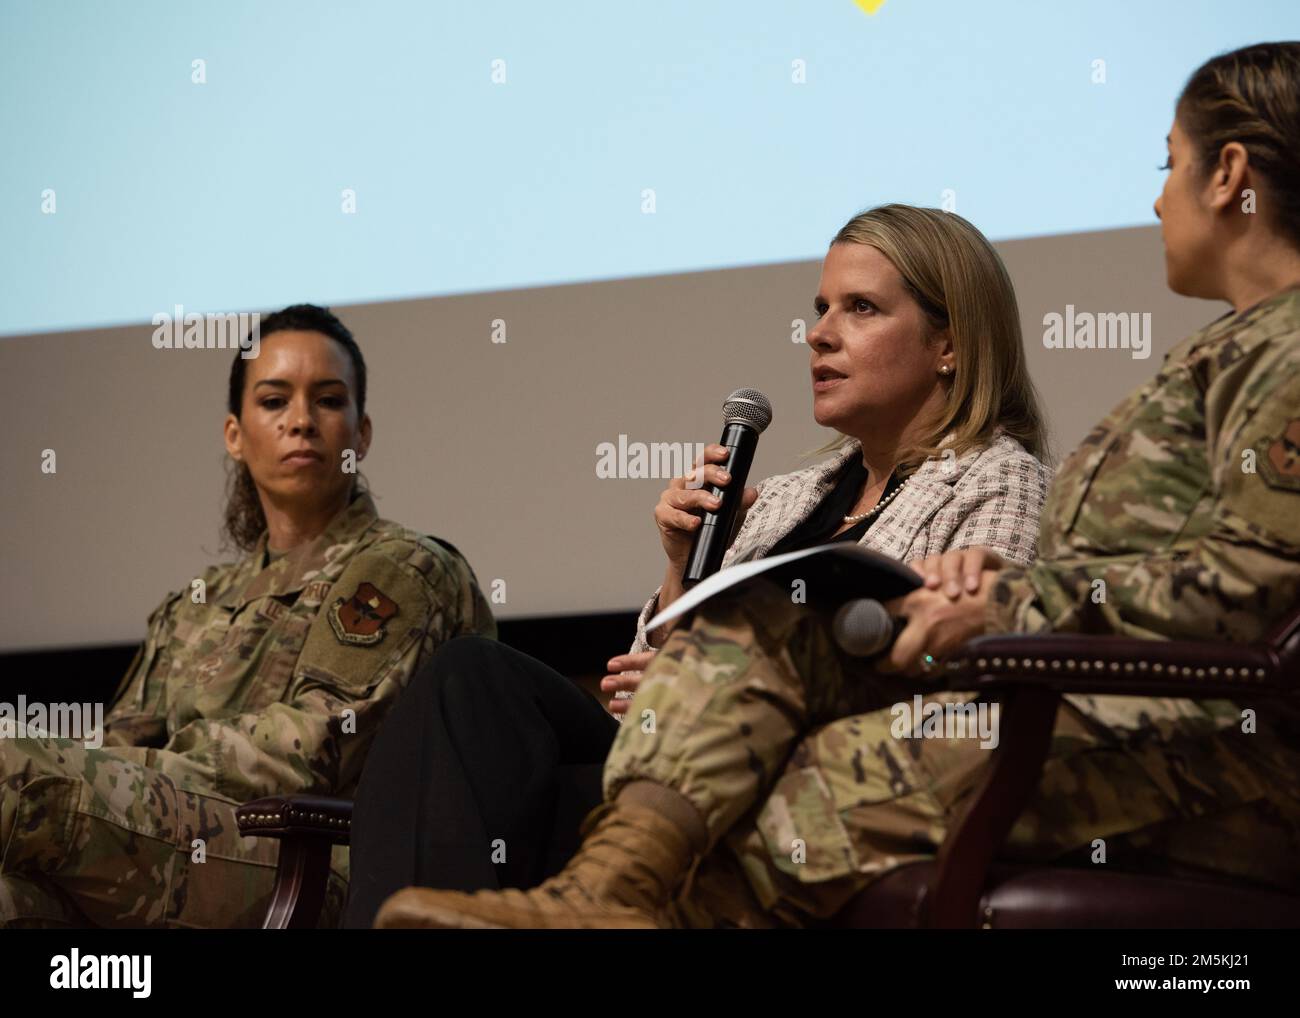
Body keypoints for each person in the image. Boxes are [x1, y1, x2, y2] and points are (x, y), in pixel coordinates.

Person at [373, 41, 1300, 929]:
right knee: (610, 673)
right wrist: (682, 585)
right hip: (1078, 701)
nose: (1153, 200)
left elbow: (1256, 581)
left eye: (1167, 165)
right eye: (820, 309)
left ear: (1225, 175)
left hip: (1190, 737)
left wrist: (1011, 599)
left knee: (764, 804)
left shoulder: (1285, 353)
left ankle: (607, 896)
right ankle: (604, 895)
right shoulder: (1228, 353)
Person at [342, 204, 1052, 927]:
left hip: (804, 779)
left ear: (950, 347)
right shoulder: (781, 497)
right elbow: (641, 679)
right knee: (473, 679)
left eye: (861, 308)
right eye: (820, 308)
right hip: (671, 765)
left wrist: (711, 688)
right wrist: (681, 573)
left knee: (535, 802)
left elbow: (972, 691)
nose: (820, 333)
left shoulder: (996, 478)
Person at [0, 304, 496, 929]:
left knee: (14, 770)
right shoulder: (192, 604)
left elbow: (311, 750)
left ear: (361, 433)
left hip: (317, 860)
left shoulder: (402, 567)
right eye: (273, 401)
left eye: (328, 400)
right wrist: (106, 772)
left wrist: (118, 775)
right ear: (235, 434)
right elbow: (118, 743)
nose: (301, 422)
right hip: (162, 841)